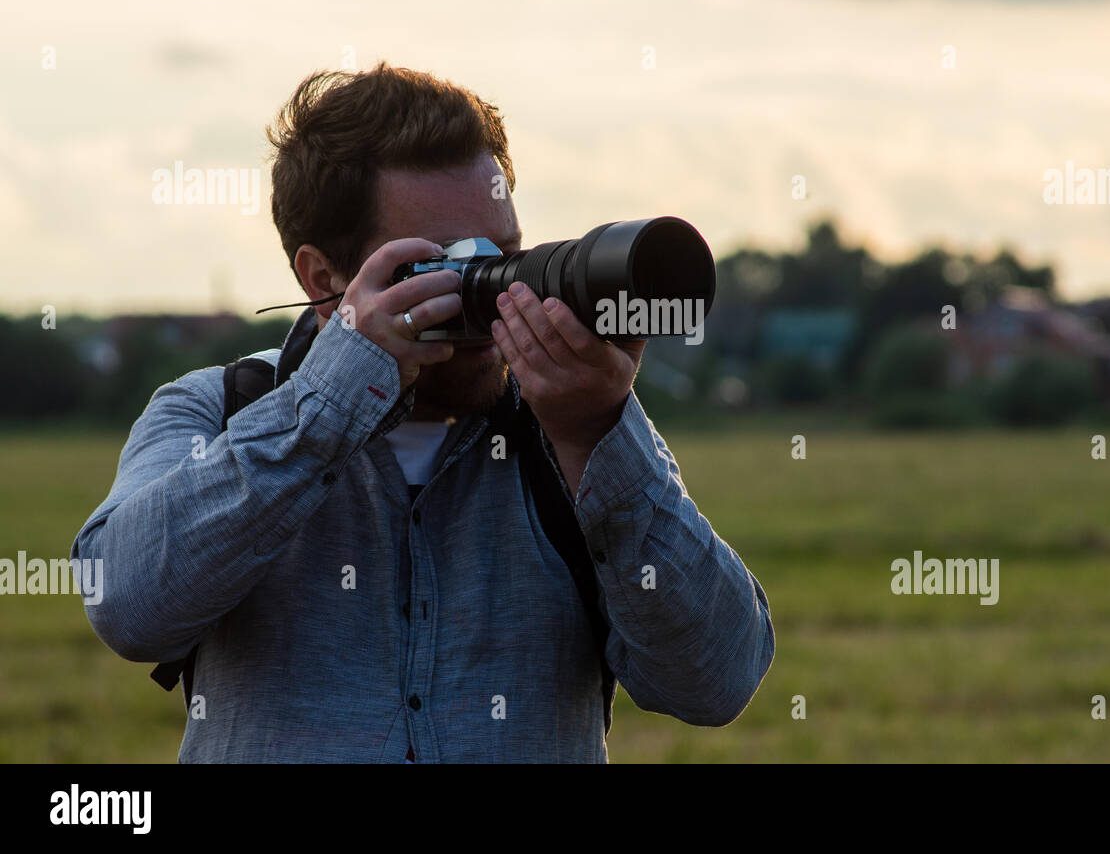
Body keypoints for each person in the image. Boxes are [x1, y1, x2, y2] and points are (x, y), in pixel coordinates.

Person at [71, 63, 775, 762]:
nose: (481, 292)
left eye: (502, 256)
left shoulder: (571, 429)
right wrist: (332, 405)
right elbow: (130, 608)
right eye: (438, 264)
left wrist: (598, 435)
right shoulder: (221, 410)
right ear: (323, 279)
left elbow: (716, 681)